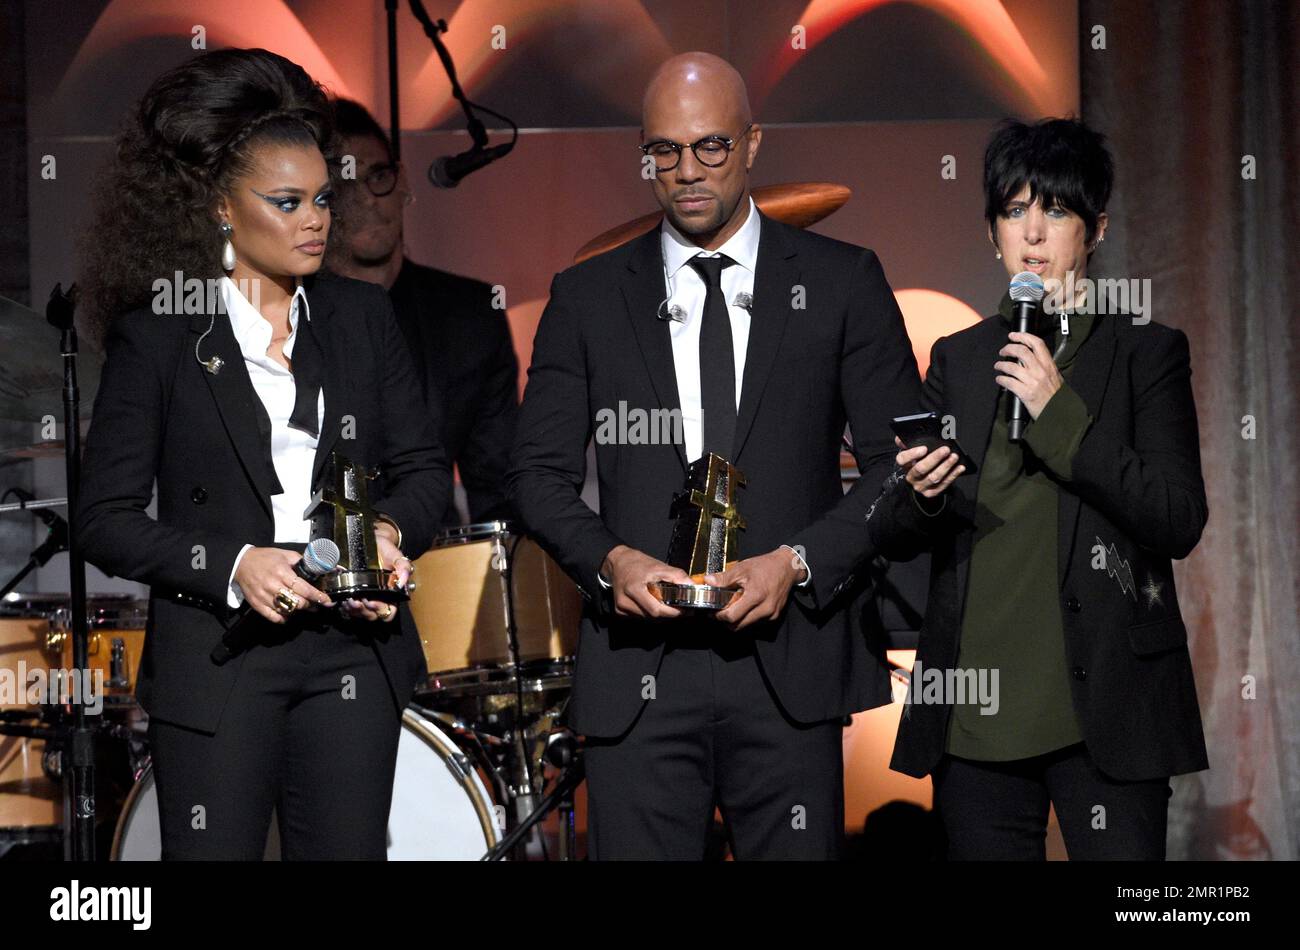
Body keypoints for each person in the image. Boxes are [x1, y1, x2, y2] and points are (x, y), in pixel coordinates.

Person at [508, 52, 922, 859]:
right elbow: (534, 475)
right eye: (663, 151)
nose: (686, 171)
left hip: (787, 659)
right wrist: (610, 562)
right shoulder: (587, 295)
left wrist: (796, 563)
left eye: (710, 147)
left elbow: (895, 466)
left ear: (753, 144)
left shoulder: (842, 282)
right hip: (638, 666)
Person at [76, 48, 449, 859]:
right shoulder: (161, 335)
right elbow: (102, 520)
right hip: (219, 656)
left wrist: (386, 535)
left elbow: (425, 473)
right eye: (286, 202)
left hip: (355, 646)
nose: (317, 219)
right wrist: (236, 563)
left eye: (322, 198)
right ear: (218, 207)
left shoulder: (361, 318)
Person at [871, 117, 1209, 860]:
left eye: (1055, 210)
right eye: (1014, 210)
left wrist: (1063, 420)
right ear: (993, 235)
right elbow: (892, 527)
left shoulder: (1143, 354)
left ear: (1094, 230)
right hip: (977, 712)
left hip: (1107, 708)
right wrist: (921, 495)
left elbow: (1178, 516)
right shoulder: (958, 359)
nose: (1033, 232)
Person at [326, 99, 517, 527]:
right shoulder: (289, 314)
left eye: (379, 176)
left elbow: (499, 491)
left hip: (437, 564)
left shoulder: (470, 316)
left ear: (402, 180)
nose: (367, 200)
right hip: (310, 563)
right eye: (345, 182)